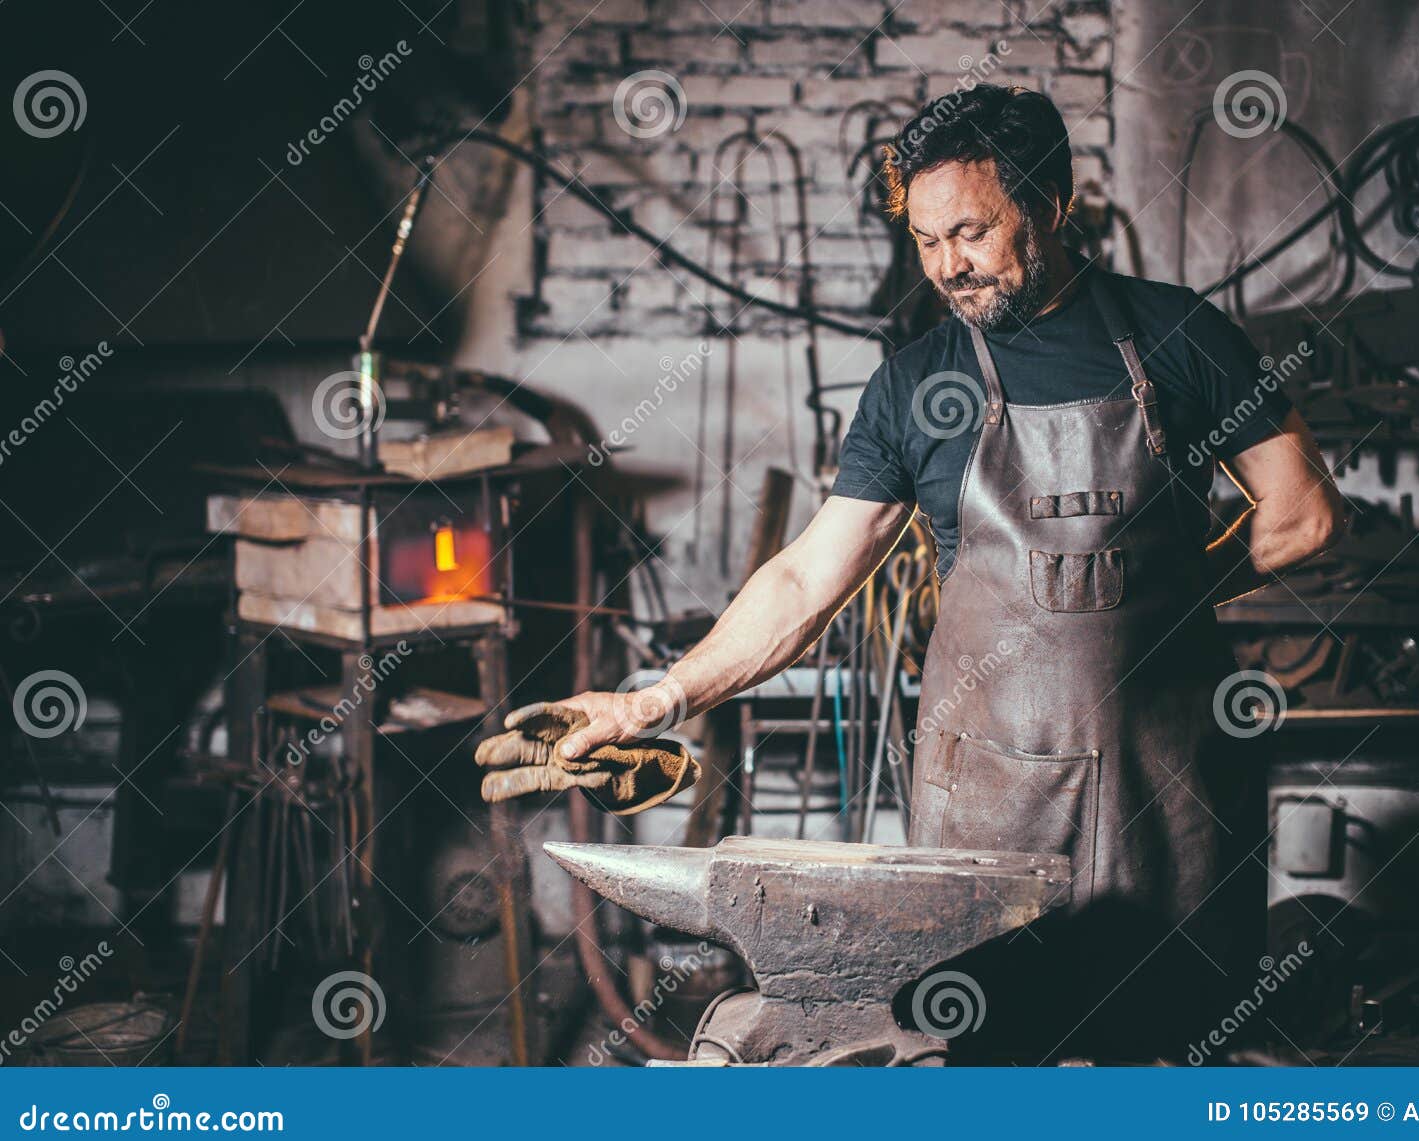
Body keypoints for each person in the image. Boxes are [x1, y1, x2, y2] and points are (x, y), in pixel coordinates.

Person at [482, 84, 1344, 1061]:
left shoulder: (1182, 337)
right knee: (985, 1062)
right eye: (929, 240)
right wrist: (653, 701)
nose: (948, 265)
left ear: (1052, 204)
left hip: (1167, 788)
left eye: (971, 232)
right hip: (987, 809)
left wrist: (1167, 587)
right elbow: (807, 580)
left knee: (1167, 1055)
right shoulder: (915, 384)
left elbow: (1301, 511)